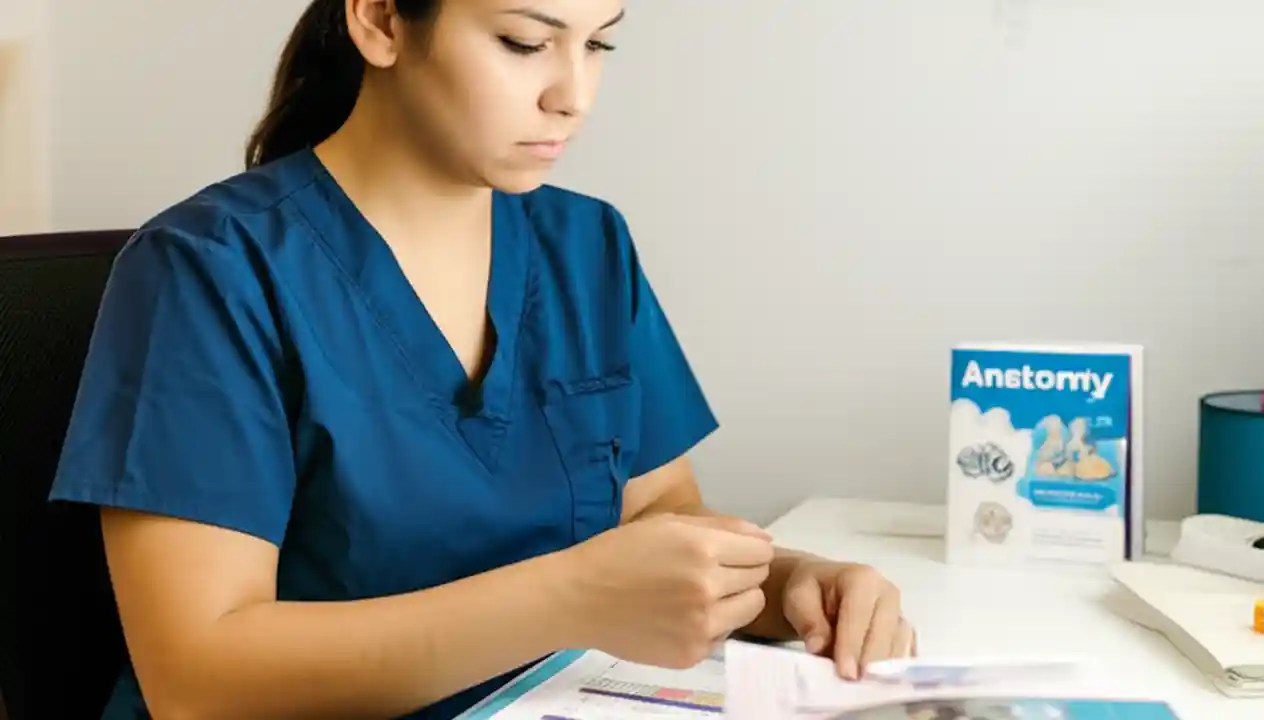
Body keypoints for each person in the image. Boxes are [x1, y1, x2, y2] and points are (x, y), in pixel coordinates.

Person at [49, 1, 915, 718]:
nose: (573, 95)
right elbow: (198, 680)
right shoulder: (209, 271)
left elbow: (660, 518)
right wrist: (568, 598)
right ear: (382, 20)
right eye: (526, 43)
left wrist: (793, 585)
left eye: (600, 44)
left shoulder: (587, 245)